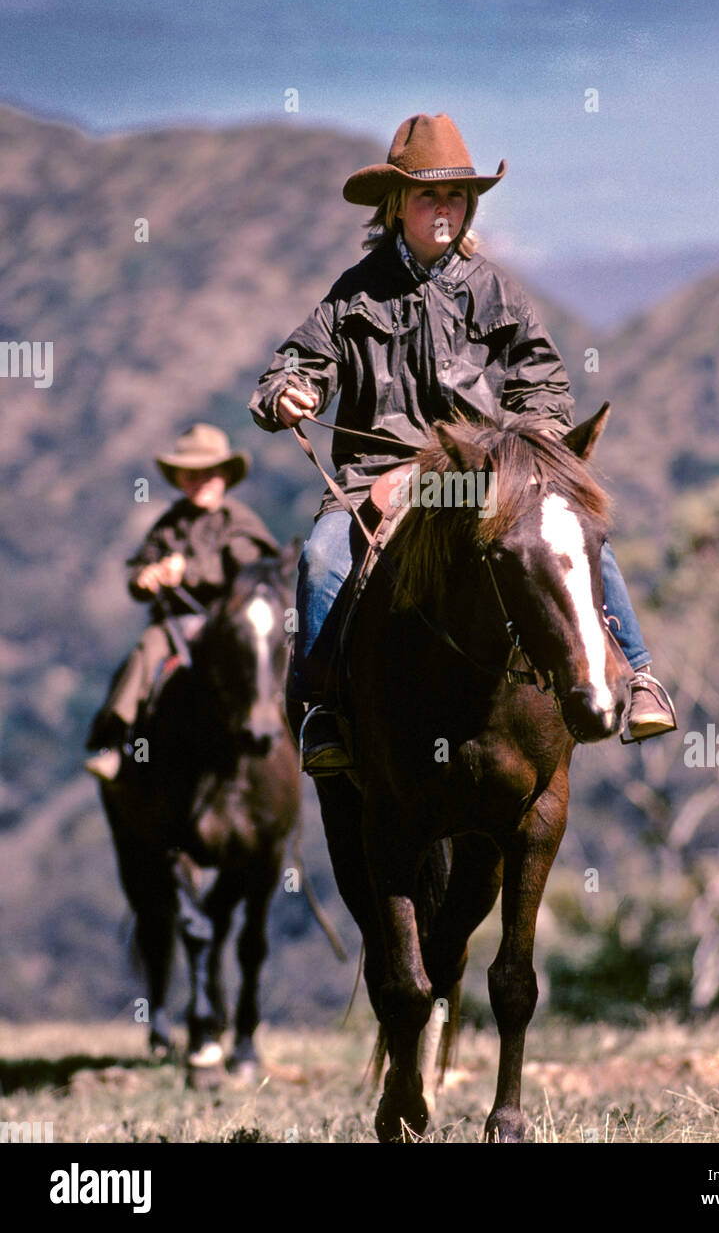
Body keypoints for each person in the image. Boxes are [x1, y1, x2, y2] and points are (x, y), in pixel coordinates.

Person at [249, 112, 676, 772]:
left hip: (482, 477)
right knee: (319, 558)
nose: (444, 208)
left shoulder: (497, 291)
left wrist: (520, 443)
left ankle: (639, 676)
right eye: (428, 194)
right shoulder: (354, 295)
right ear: (396, 206)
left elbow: (546, 385)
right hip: (377, 479)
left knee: (574, 533)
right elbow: (296, 365)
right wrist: (287, 395)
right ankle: (322, 708)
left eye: (456, 195)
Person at [84, 423, 279, 781]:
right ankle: (115, 739)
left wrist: (186, 570)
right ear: (181, 478)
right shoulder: (167, 524)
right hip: (176, 626)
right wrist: (145, 578)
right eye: (192, 473)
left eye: (208, 473)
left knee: (266, 657)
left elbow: (250, 568)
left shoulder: (238, 522)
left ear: (223, 476)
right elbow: (140, 566)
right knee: (147, 648)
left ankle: (294, 727)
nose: (200, 480)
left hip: (230, 621)